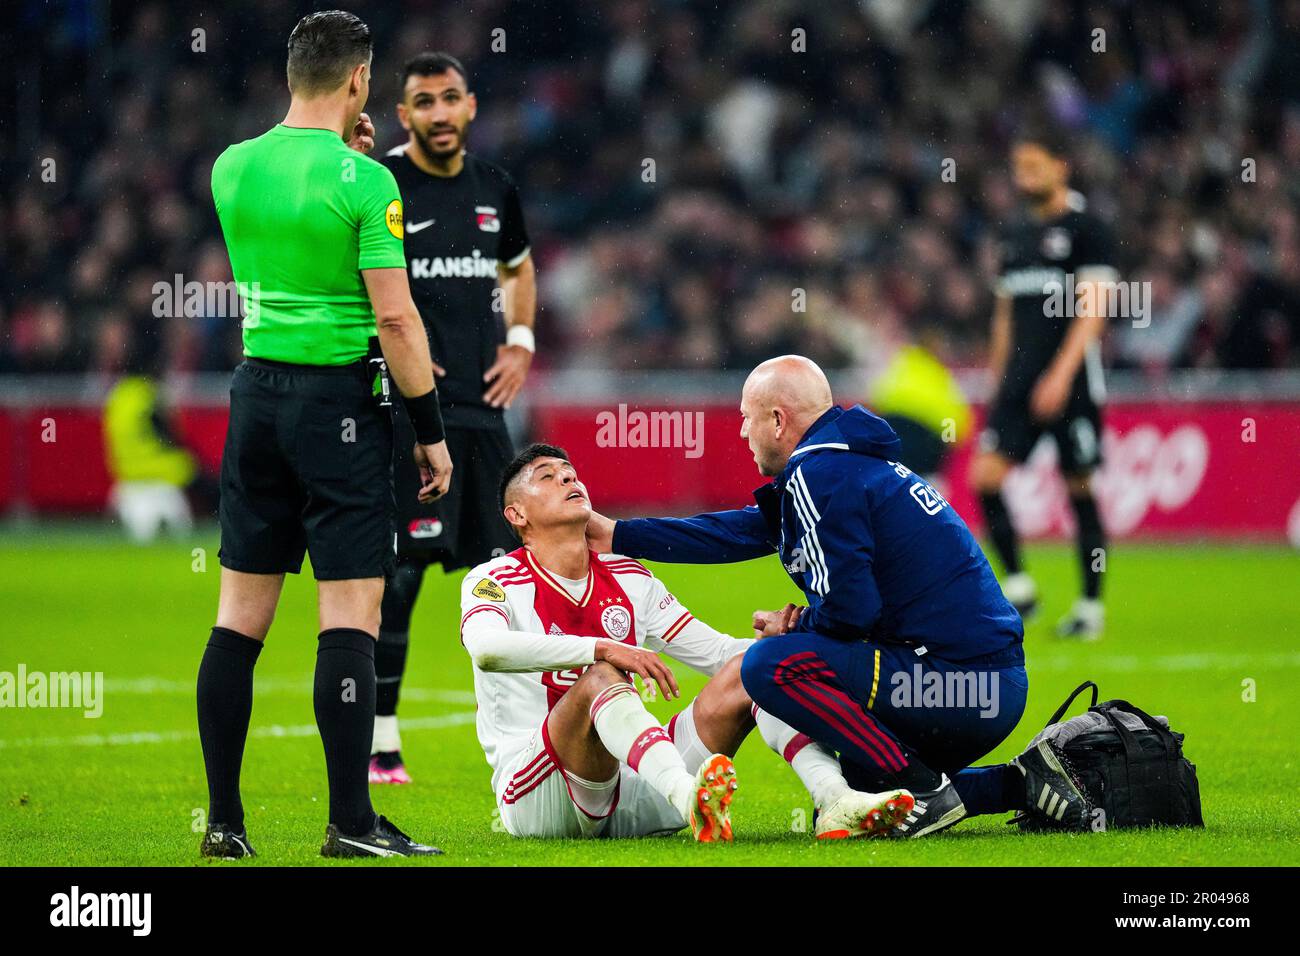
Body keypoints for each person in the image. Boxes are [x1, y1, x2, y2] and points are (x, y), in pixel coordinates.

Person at [587, 356, 1093, 837]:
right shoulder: (843, 462)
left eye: (748, 418)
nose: (742, 431)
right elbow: (736, 533)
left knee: (768, 666)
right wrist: (618, 536)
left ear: (778, 420)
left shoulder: (818, 474)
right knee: (859, 787)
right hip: (980, 688)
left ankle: (924, 790)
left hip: (957, 688)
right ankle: (1023, 783)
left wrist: (796, 625)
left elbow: (852, 612)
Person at [199, 10, 452, 859]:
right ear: (360, 80)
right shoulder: (368, 183)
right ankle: (351, 823)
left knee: (238, 618)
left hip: (255, 395)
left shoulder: (230, 168)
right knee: (349, 614)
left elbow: (301, 197)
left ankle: (224, 827)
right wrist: (431, 433)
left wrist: (350, 151)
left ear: (290, 75)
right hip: (339, 404)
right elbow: (395, 316)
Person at [460, 443, 915, 841]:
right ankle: (687, 796)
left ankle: (835, 799)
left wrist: (801, 652)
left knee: (758, 665)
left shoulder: (629, 577)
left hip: (635, 790)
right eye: (548, 477)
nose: (567, 479)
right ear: (517, 515)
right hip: (538, 796)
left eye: (570, 474)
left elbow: (719, 654)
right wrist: (601, 648)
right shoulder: (493, 579)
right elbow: (486, 649)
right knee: (601, 677)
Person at [371, 52, 537, 783]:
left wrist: (523, 341)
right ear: (402, 116)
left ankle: (526, 740)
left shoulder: (495, 188)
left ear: (470, 106)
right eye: (422, 103)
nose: (438, 113)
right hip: (411, 418)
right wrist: (394, 352)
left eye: (449, 99)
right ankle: (381, 745)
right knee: (400, 579)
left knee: (506, 576)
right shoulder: (385, 186)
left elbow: (519, 267)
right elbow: (355, 279)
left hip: (482, 417)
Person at [970, 130, 1118, 640]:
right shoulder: (1013, 236)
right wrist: (997, 378)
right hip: (1017, 384)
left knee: (1079, 486)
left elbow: (1092, 310)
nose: (1024, 177)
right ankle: (1019, 589)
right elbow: (1006, 314)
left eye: (1034, 167)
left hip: (1071, 385)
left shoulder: (1088, 229)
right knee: (985, 479)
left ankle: (1089, 608)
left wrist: (1059, 375)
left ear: (1062, 165)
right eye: (1019, 168)